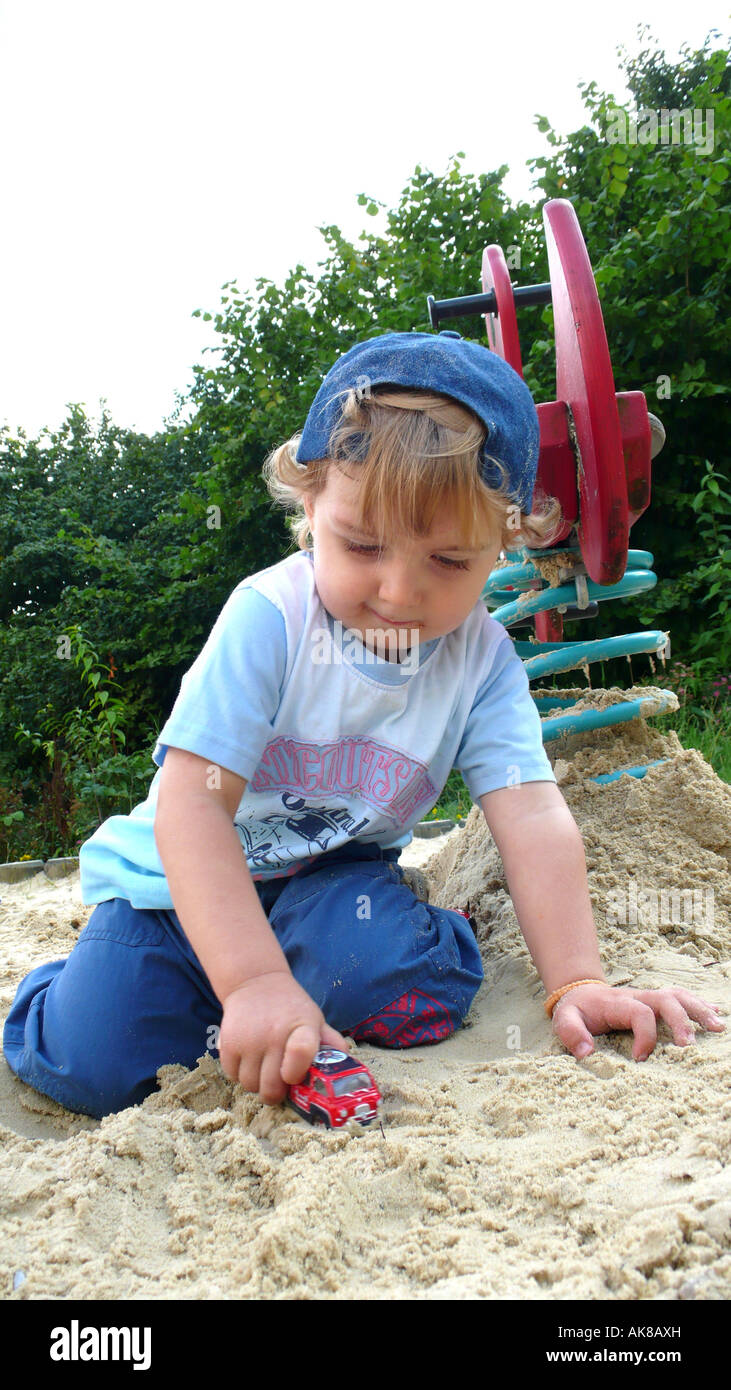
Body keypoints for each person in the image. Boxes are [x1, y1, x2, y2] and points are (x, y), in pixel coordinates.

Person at [3, 331, 724, 1120]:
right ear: (310, 506)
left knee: (408, 992)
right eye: (361, 544)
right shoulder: (270, 617)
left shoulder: (481, 658)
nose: (398, 589)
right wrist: (253, 983)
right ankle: (66, 989)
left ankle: (411, 933)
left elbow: (530, 813)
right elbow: (192, 805)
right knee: (98, 1065)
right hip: (174, 888)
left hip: (330, 883)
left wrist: (578, 980)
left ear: (508, 542)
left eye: (449, 561)